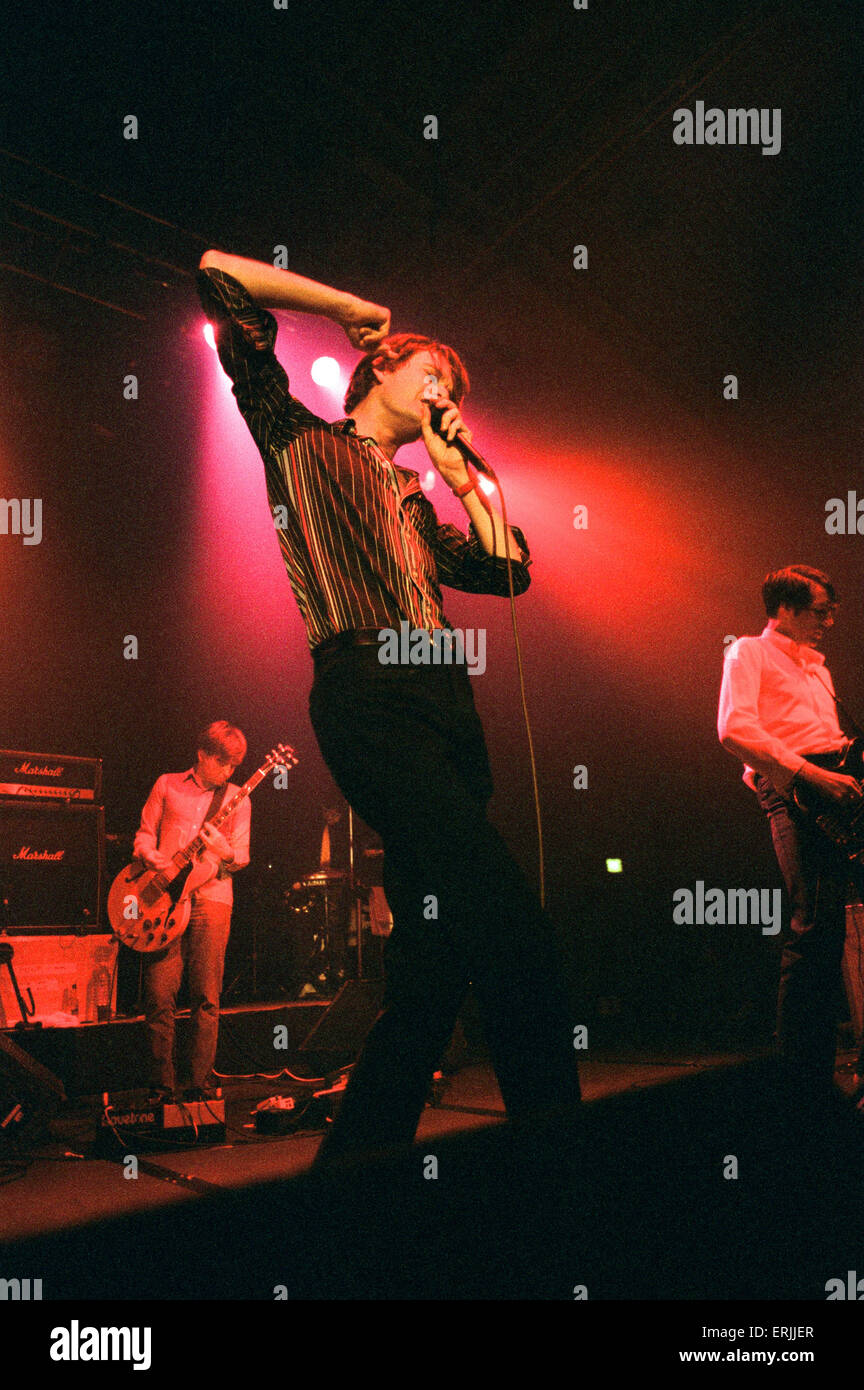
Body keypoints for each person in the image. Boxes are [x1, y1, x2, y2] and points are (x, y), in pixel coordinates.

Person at [196, 250, 581, 1163]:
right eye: (431, 370)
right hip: (370, 694)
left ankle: (354, 1176)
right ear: (380, 369)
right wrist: (346, 306)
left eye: (453, 380)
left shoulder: (415, 499)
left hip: (447, 706)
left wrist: (453, 468)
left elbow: (509, 570)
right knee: (512, 924)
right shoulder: (298, 437)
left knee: (432, 968)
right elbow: (218, 275)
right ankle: (565, 1167)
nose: (445, 385)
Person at [718, 566, 864, 1114]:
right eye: (819, 609)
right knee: (815, 928)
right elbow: (734, 728)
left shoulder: (817, 669)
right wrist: (807, 773)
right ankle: (801, 1083)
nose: (829, 620)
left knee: (835, 929)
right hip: (799, 790)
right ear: (784, 608)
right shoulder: (748, 654)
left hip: (838, 783)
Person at [133, 721, 251, 1102]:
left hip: (213, 898)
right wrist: (154, 858)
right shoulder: (167, 784)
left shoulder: (238, 798)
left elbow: (241, 857)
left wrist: (222, 849)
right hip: (164, 901)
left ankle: (198, 1086)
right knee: (158, 994)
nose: (229, 772)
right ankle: (160, 1088)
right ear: (203, 755)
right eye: (224, 763)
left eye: (235, 765)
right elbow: (144, 833)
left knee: (206, 997)